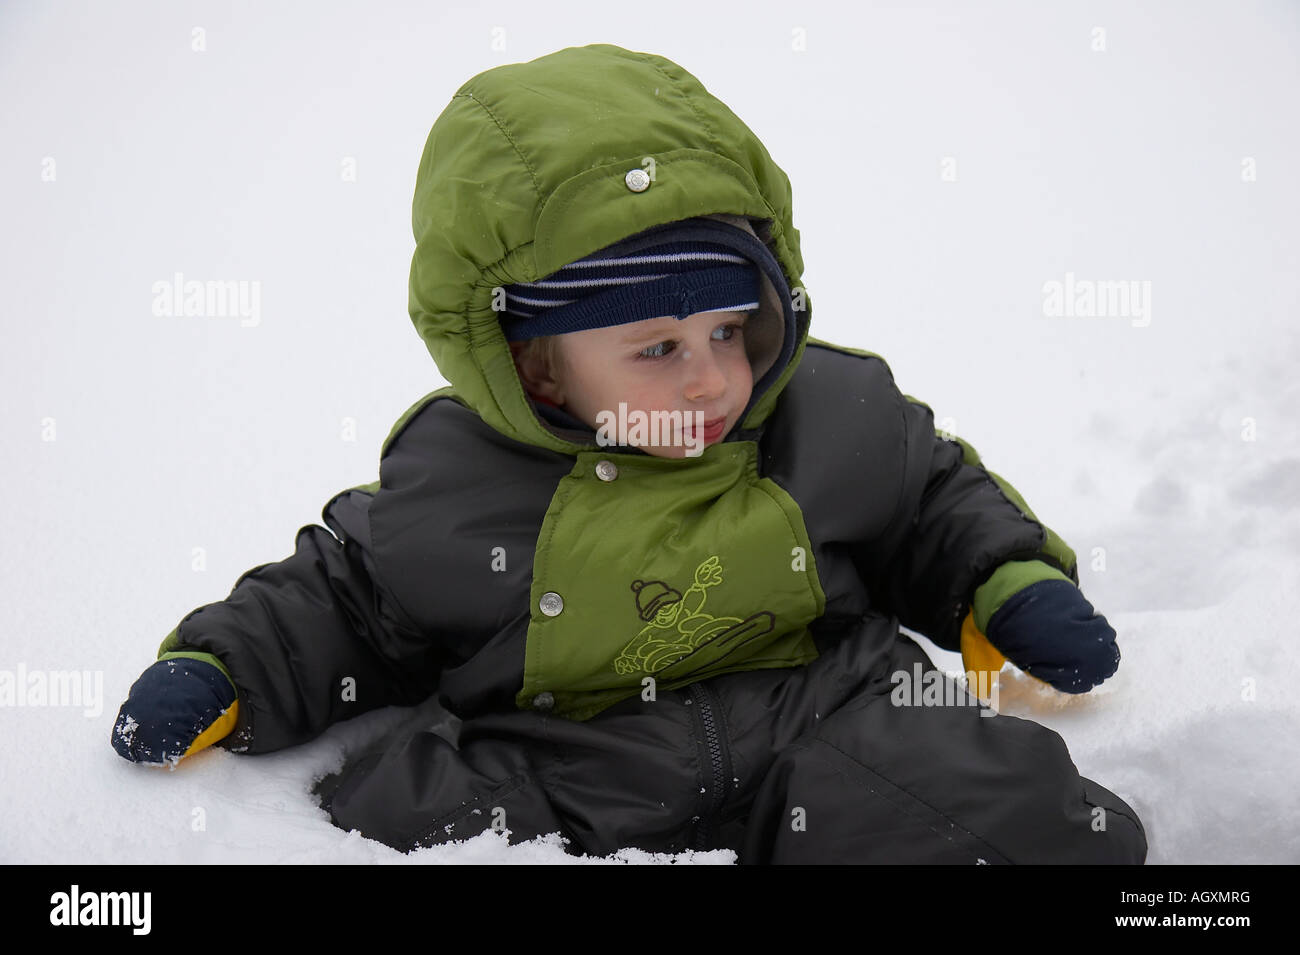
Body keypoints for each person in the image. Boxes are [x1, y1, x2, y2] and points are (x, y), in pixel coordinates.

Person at [110, 43, 1147, 864]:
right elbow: (342, 601)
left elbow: (924, 500)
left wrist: (1005, 581)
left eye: (728, 331)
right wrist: (222, 668)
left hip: (821, 713)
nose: (708, 377)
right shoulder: (463, 489)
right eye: (655, 349)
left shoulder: (822, 416)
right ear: (540, 368)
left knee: (994, 813)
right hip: (567, 755)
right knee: (410, 822)